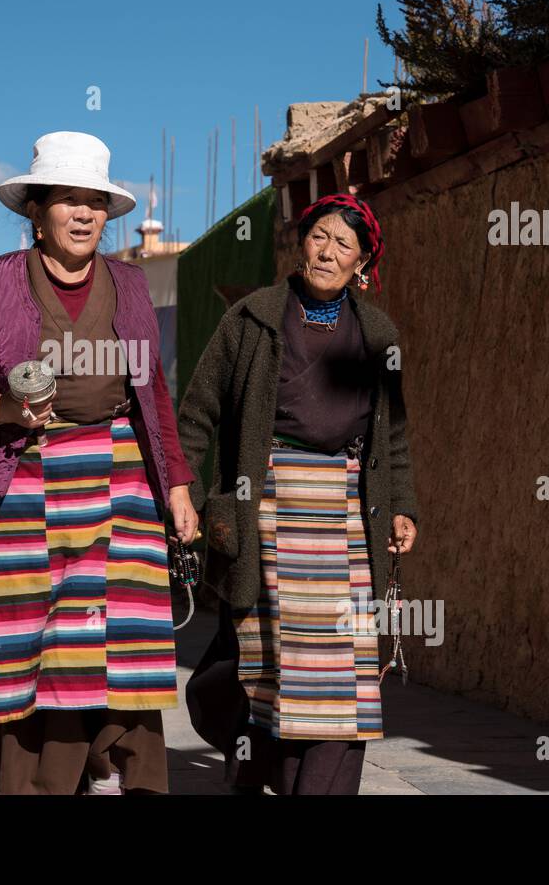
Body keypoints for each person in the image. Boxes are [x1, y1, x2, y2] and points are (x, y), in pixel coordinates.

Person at [0, 131, 199, 794]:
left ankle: (131, 781)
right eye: (68, 201)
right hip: (23, 481)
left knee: (126, 653)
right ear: (37, 212)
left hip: (121, 483)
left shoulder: (132, 287)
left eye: (95, 203)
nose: (83, 214)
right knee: (37, 653)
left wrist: (179, 488)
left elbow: (154, 393)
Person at [176, 192, 419, 795]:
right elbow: (198, 412)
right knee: (274, 668)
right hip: (269, 507)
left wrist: (403, 506)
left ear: (362, 262)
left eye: (344, 244)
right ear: (300, 242)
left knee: (342, 678)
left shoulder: (378, 333)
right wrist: (183, 490)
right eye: (319, 236)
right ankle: (273, 781)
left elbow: (393, 436)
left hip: (344, 517)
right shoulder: (253, 319)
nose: (328, 252)